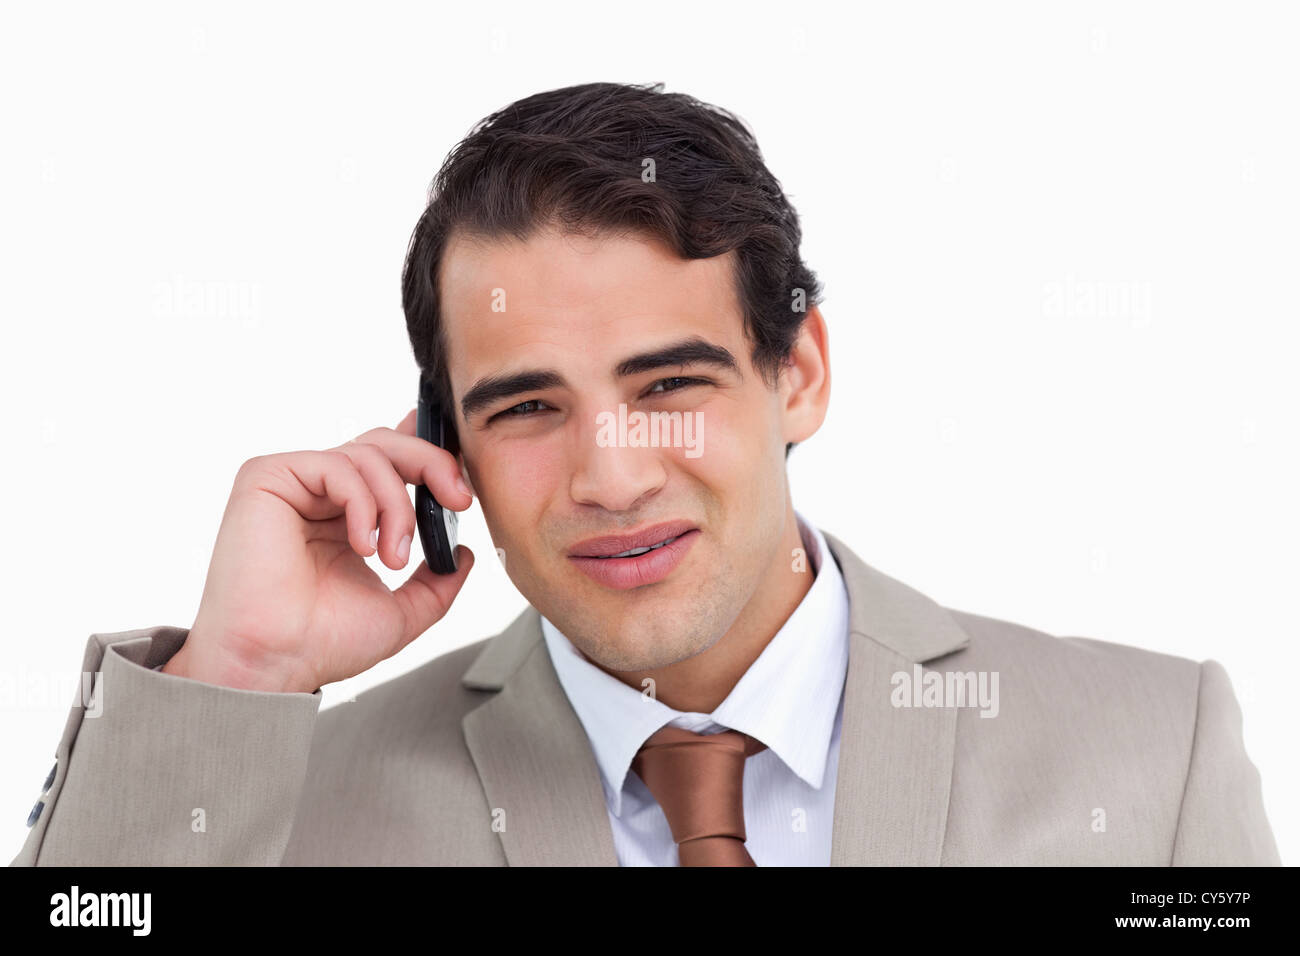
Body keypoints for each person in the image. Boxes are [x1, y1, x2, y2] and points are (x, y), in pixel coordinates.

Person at [12, 82, 1280, 866]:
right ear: (441, 452)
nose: (611, 476)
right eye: (524, 407)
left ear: (798, 375)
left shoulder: (1151, 757)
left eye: (669, 386)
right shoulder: (275, 808)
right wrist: (234, 681)